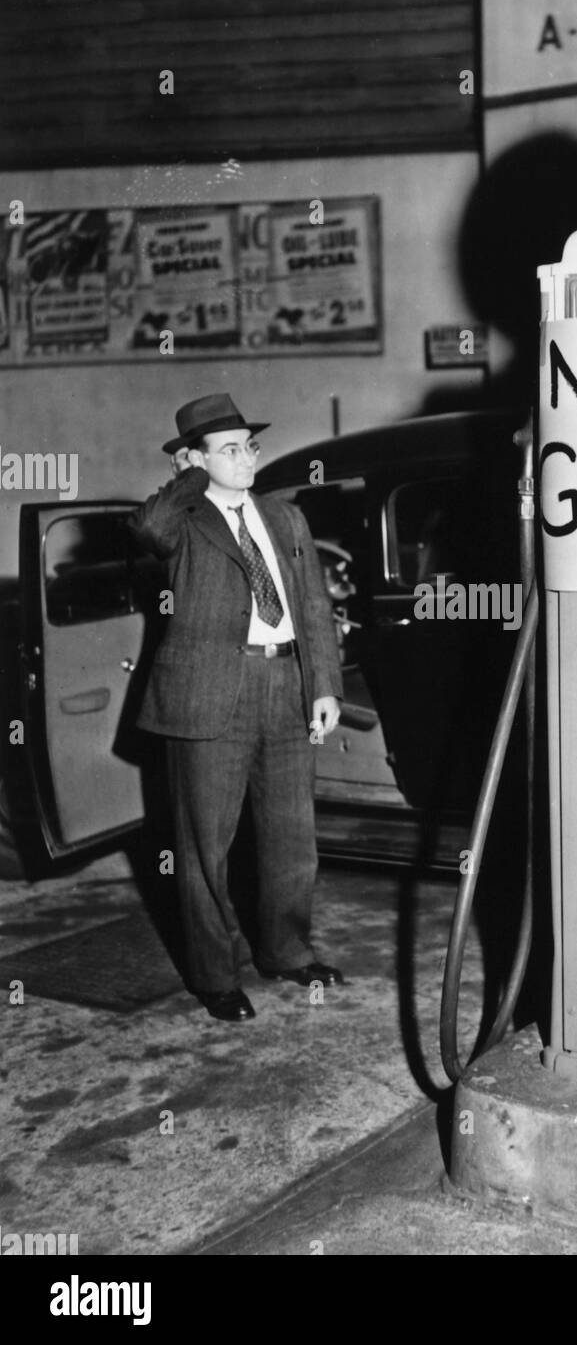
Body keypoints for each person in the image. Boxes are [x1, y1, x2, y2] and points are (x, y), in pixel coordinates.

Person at [129, 392, 343, 1021]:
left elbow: (312, 605)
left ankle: (286, 950)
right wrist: (193, 473)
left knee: (292, 839)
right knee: (203, 849)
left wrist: (323, 685)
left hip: (284, 685)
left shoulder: (284, 518)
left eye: (250, 445)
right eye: (229, 449)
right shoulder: (185, 521)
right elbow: (146, 528)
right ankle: (214, 975)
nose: (247, 457)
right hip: (208, 696)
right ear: (192, 460)